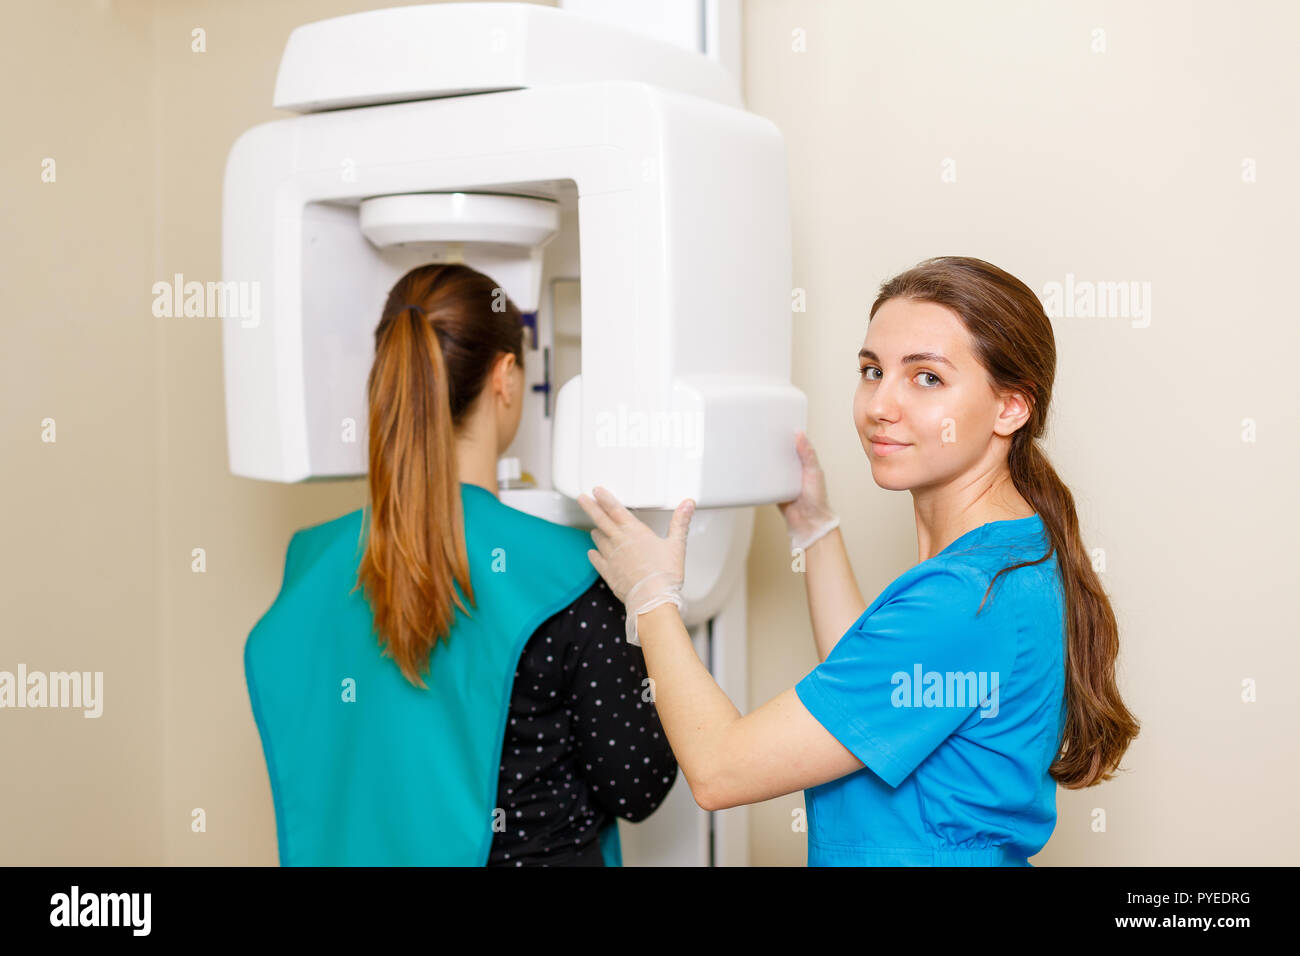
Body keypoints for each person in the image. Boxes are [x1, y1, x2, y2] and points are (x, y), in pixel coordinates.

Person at [579, 255, 1141, 866]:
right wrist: (814, 529)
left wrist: (652, 597)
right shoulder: (1014, 552)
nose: (881, 405)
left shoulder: (966, 598)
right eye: (873, 371)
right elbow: (880, 691)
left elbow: (719, 770)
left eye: (927, 378)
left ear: (1011, 407)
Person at [243, 263, 677, 866]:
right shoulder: (573, 572)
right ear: (504, 376)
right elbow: (637, 784)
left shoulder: (311, 565)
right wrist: (658, 608)